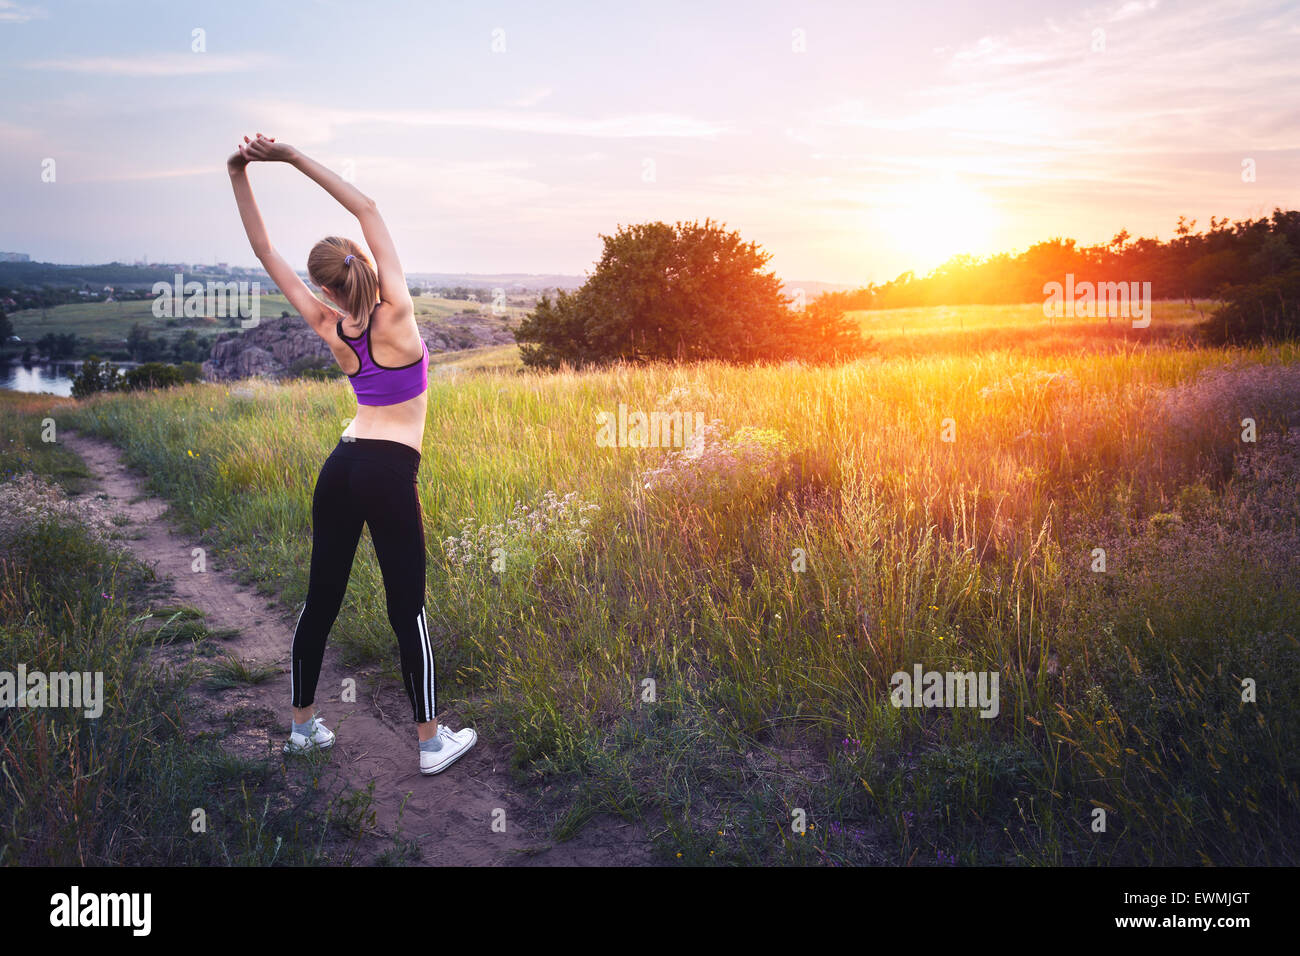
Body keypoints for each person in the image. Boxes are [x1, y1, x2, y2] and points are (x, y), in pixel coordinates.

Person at [227, 133, 475, 775]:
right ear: (364, 263)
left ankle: (303, 726)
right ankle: (429, 744)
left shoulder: (327, 325)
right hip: (389, 472)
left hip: (340, 467)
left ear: (325, 286)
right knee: (407, 610)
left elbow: (262, 248)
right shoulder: (400, 313)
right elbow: (366, 206)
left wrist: (239, 172)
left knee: (321, 599)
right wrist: (292, 158)